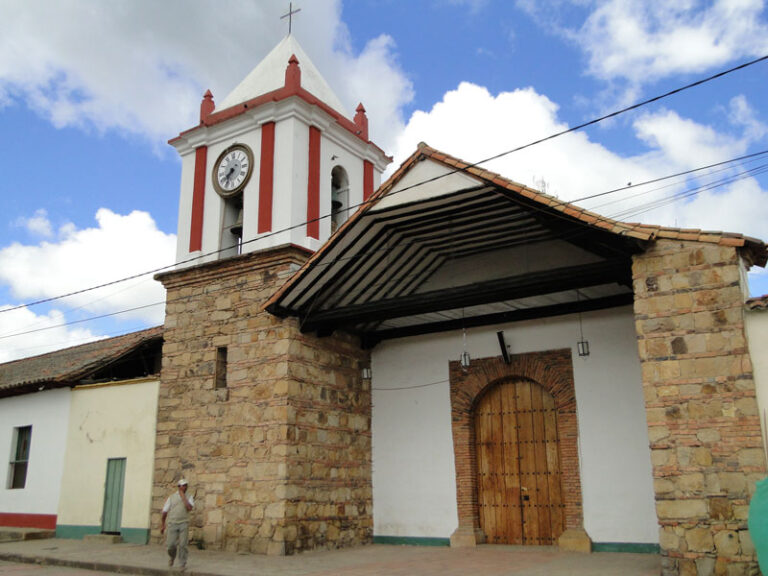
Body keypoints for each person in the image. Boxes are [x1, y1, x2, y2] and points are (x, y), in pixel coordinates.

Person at [161, 479, 195, 570]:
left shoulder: (189, 497)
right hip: (172, 522)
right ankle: (172, 556)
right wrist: (163, 524)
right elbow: (165, 511)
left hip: (184, 522)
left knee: (183, 544)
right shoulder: (171, 497)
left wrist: (184, 498)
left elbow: (189, 508)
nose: (184, 487)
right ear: (178, 487)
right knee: (170, 545)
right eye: (182, 485)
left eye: (185, 485)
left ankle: (182, 563)